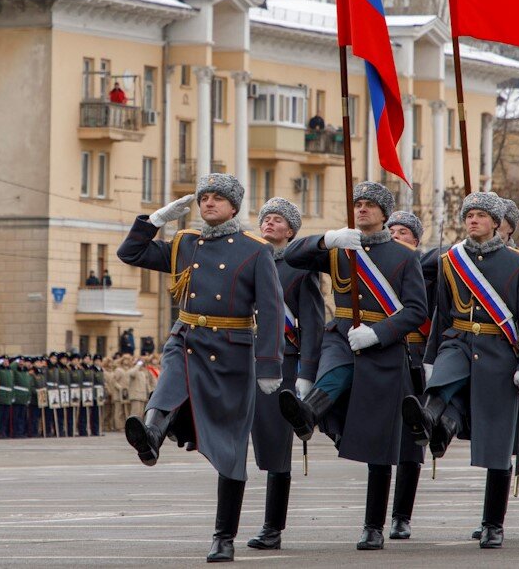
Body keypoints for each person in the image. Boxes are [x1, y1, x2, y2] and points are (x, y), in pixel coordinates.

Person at [117, 173, 284, 562]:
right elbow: (132, 254)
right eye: (204, 197)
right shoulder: (184, 243)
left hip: (232, 352)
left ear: (233, 207)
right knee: (168, 386)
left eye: (217, 198)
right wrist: (154, 220)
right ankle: (151, 438)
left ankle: (223, 536)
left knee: (230, 448)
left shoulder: (255, 250)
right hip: (187, 338)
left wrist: (269, 365)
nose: (207, 203)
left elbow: (272, 311)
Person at [278, 182, 427, 551]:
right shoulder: (341, 248)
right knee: (334, 376)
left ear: (383, 214)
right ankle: (306, 414)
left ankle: (374, 526)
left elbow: (416, 311)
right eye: (357, 204)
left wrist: (378, 334)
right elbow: (292, 255)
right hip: (341, 334)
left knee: (379, 445)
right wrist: (327, 238)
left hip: (382, 348)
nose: (361, 210)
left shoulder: (404, 257)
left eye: (369, 206)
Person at [404, 191, 519, 549]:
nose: (473, 220)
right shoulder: (452, 260)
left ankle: (493, 524)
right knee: (442, 384)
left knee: (497, 444)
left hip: (500, 352)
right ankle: (425, 419)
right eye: (469, 215)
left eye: (481, 215)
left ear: (496, 223)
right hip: (458, 340)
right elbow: (441, 315)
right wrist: (430, 359)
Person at [246, 198, 323, 551]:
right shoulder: (246, 261)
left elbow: (312, 322)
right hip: (245, 361)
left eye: (277, 220)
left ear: (290, 231)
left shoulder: (301, 269)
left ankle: (272, 527)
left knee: (277, 447)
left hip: (284, 364)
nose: (269, 224)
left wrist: (307, 373)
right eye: (266, 219)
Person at [383, 210, 433, 541]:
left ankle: (401, 516)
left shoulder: (426, 268)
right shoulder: (373, 267)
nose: (397, 235)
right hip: (381, 355)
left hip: (414, 357)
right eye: (392, 231)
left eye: (404, 232)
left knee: (411, 442)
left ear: (415, 241)